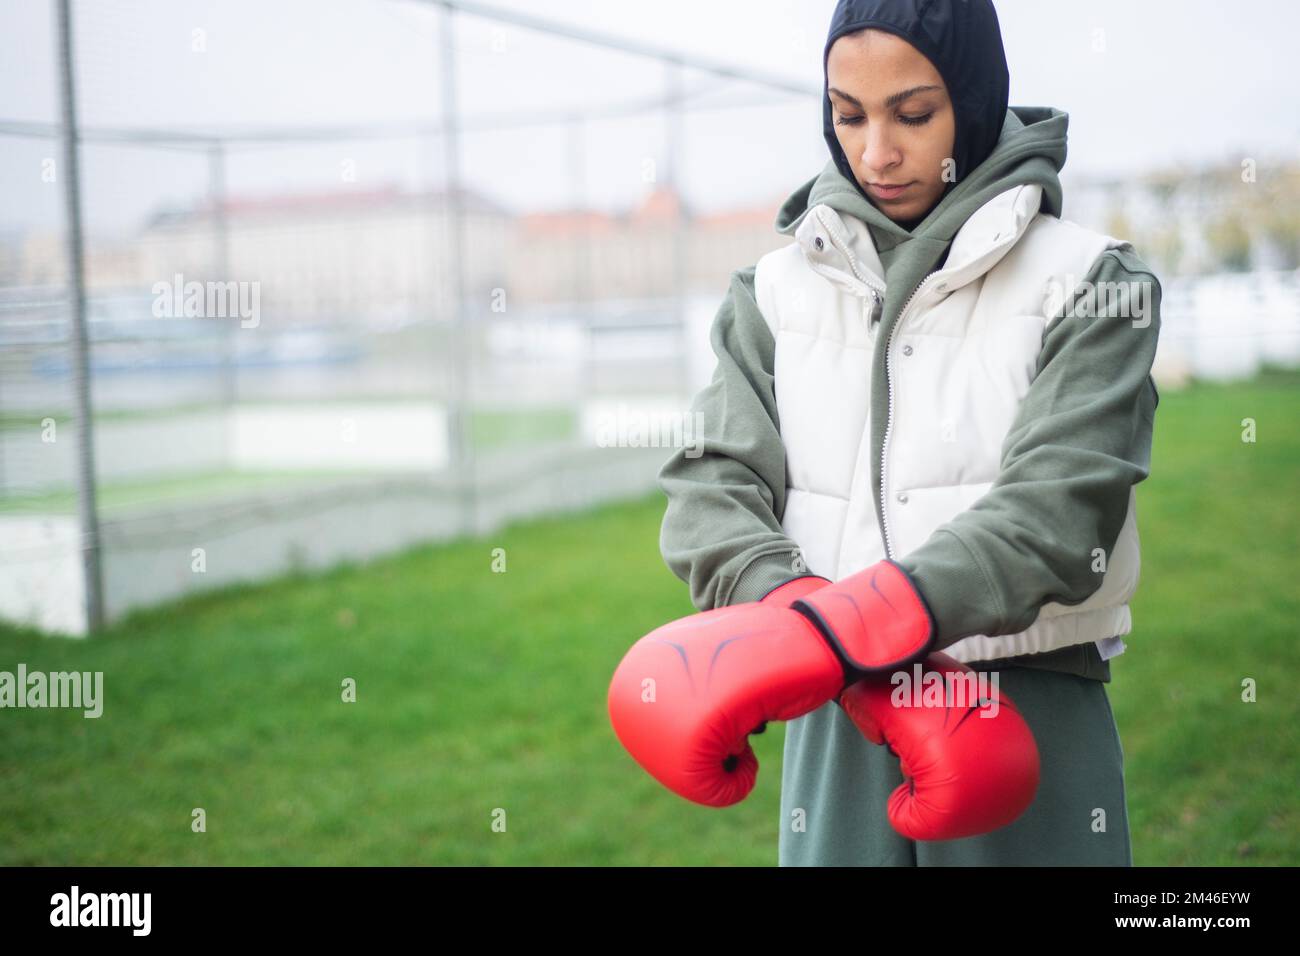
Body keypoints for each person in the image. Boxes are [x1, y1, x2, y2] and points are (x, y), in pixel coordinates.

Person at [655, 0, 1162, 865]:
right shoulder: (772, 289)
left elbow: (1058, 510)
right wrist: (802, 624)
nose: (875, 151)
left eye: (913, 114)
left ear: (973, 98)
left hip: (1024, 706)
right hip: (834, 718)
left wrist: (848, 629)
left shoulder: (1091, 279)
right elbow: (710, 486)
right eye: (846, 115)